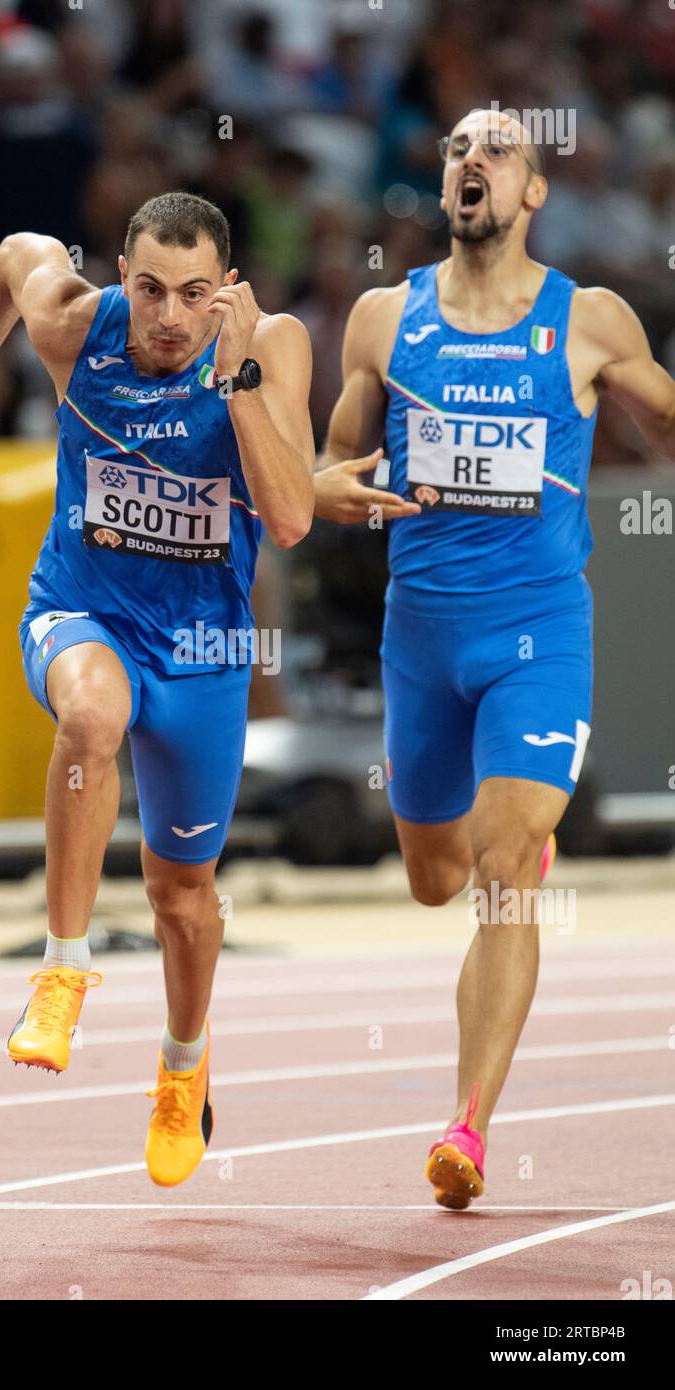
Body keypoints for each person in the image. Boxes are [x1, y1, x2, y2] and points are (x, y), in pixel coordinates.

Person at [0, 192, 314, 1187]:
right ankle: (61, 966)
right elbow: (11, 253)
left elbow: (293, 516)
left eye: (189, 294)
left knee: (182, 899)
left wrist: (239, 381)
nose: (165, 317)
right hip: (82, 610)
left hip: (203, 648)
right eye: (145, 289)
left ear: (223, 290)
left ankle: (183, 1065)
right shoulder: (75, 326)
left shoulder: (272, 344)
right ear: (119, 278)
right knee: (90, 717)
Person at [313, 110, 675, 1210]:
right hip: (420, 640)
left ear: (530, 195)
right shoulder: (383, 320)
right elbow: (333, 461)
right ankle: (497, 847)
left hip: (538, 638)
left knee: (503, 869)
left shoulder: (589, 321)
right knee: (432, 878)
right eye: (457, 148)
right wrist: (335, 486)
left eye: (499, 151)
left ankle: (464, 1127)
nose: (471, 160)